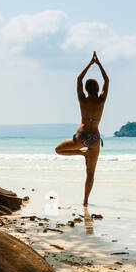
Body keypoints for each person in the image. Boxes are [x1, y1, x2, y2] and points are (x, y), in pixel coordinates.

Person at [54, 51, 108, 207]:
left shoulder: (82, 100)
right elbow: (107, 80)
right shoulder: (101, 101)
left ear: (86, 88)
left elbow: (79, 79)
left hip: (81, 136)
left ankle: (80, 153)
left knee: (58, 150)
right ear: (97, 88)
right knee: (90, 174)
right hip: (95, 139)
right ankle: (85, 201)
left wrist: (90, 64)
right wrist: (99, 65)